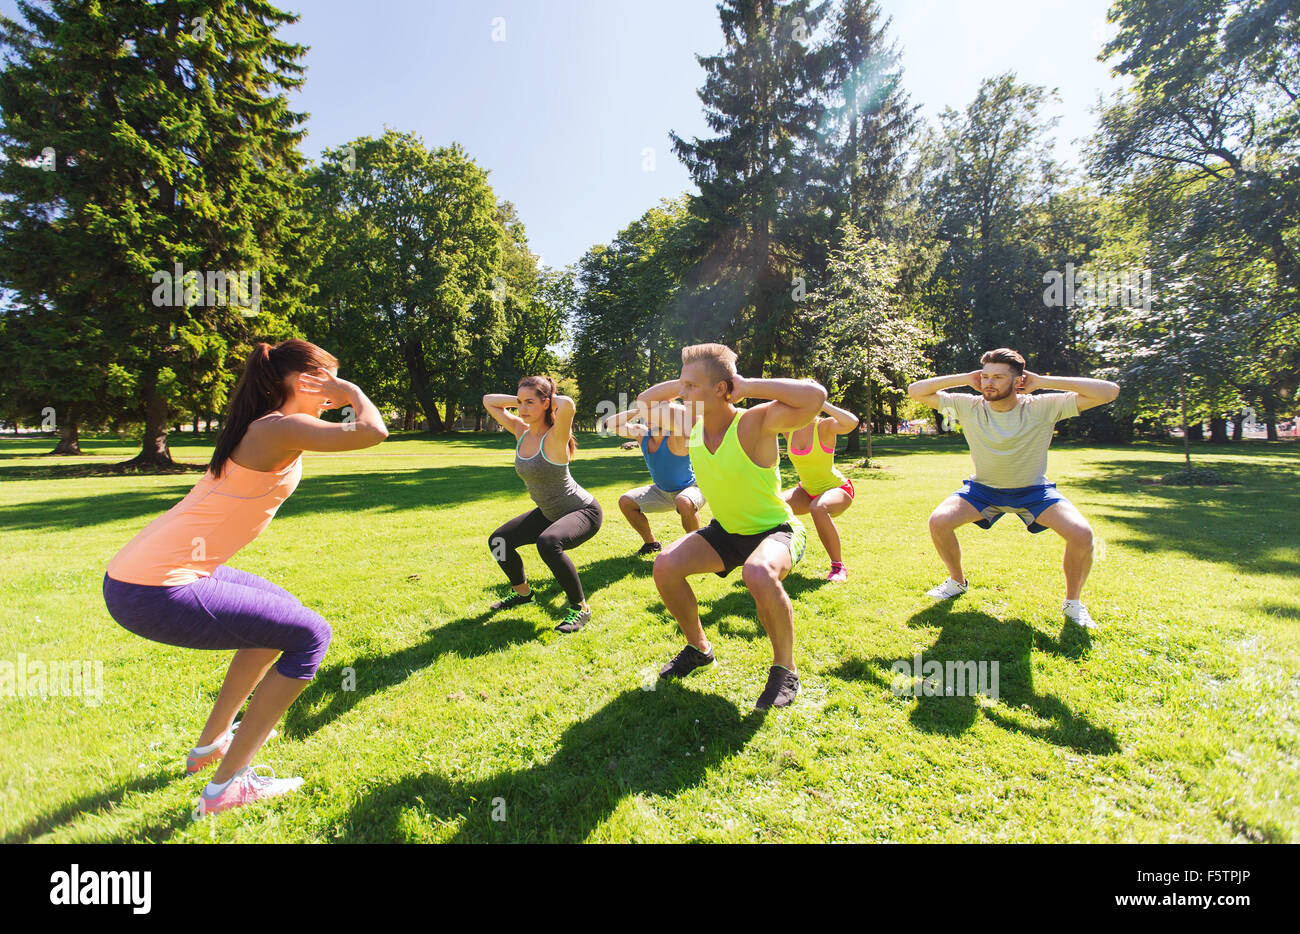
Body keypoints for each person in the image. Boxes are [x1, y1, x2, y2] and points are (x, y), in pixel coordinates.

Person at [102, 339, 389, 817]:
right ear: (306, 380)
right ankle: (225, 789)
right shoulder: (281, 426)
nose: (333, 394)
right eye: (328, 381)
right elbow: (372, 430)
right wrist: (353, 390)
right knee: (311, 634)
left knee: (281, 613)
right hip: (154, 588)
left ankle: (211, 746)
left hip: (147, 575)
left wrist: (338, 390)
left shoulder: (271, 426)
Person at [640, 343, 826, 709]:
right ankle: (699, 649)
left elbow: (814, 397)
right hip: (727, 531)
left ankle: (785, 670)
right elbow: (646, 402)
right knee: (665, 566)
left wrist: (747, 383)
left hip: (776, 529)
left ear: (722, 389)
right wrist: (686, 382)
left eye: (692, 386)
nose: (683, 393)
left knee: (758, 574)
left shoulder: (755, 421)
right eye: (682, 385)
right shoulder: (689, 422)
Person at [907, 348, 1120, 628]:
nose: (988, 383)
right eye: (985, 377)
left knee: (1082, 534)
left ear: (1019, 381)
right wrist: (965, 377)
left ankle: (1073, 603)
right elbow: (915, 391)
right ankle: (957, 582)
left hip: (1033, 491)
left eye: (997, 377)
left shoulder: (1041, 407)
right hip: (983, 490)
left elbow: (1109, 391)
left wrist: (1043, 381)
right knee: (939, 521)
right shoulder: (967, 405)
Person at [482, 376, 603, 633]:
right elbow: (489, 402)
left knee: (548, 544)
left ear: (547, 403)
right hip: (550, 513)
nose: (522, 409)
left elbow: (567, 404)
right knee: (499, 542)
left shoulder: (556, 436)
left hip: (582, 511)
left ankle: (580, 608)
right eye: (519, 403)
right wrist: (522, 400)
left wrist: (548, 401)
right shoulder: (520, 430)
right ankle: (523, 594)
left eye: (529, 403)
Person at [599, 401, 706, 556]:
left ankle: (696, 548)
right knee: (626, 502)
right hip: (661, 491)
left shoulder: (675, 436)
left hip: (691, 488)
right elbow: (611, 423)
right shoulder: (642, 435)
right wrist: (640, 409)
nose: (649, 418)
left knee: (683, 502)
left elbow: (690, 420)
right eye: (648, 415)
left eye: (654, 415)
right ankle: (651, 544)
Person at [782, 400, 859, 581]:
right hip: (807, 491)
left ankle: (838, 567)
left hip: (838, 489)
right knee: (774, 506)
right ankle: (780, 558)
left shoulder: (824, 426)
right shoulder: (788, 429)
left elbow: (852, 422)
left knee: (819, 507)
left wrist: (823, 404)